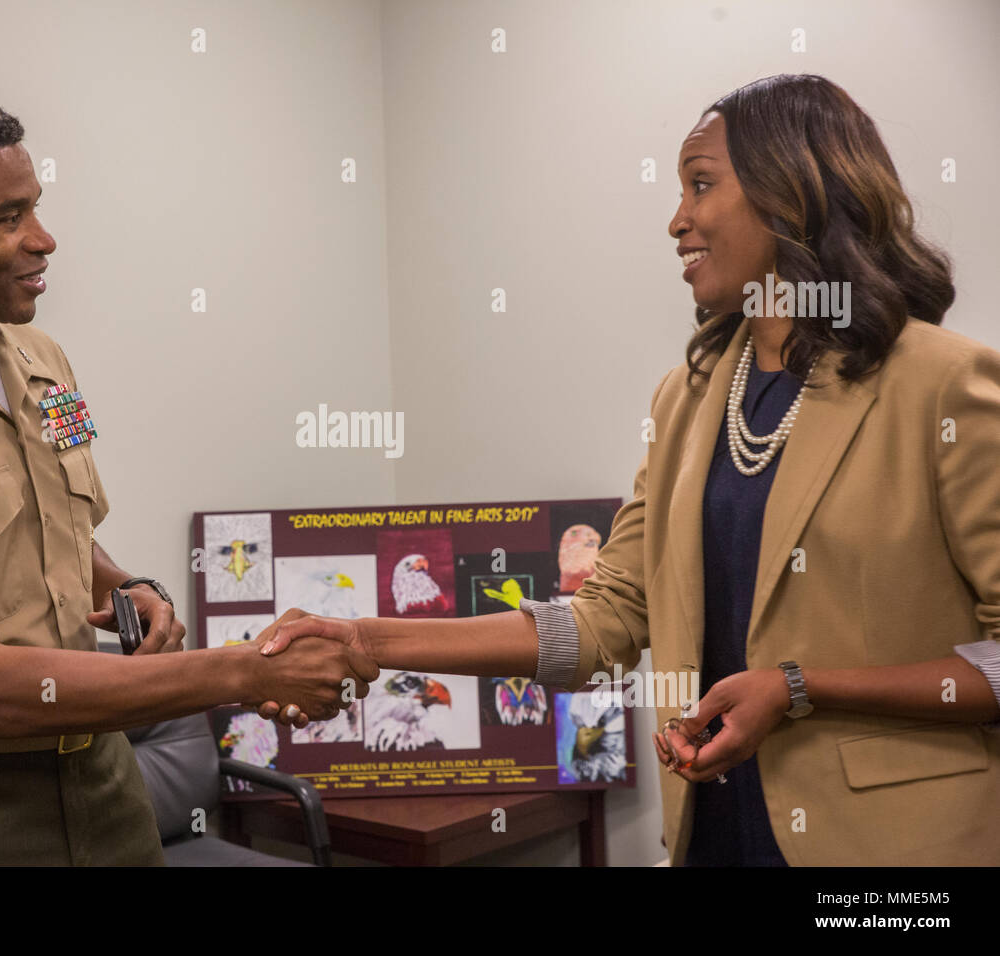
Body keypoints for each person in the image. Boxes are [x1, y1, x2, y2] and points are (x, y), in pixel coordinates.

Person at [257, 74, 1000, 866]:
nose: (677, 219)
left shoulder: (944, 383)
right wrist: (367, 638)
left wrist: (797, 687)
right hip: (712, 832)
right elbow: (604, 620)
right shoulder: (685, 398)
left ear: (793, 190)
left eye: (701, 184)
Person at [0, 95, 375, 866]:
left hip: (102, 782)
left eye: (36, 209)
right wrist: (241, 671)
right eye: (8, 218)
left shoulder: (44, 363)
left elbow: (61, 528)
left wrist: (126, 584)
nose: (43, 240)